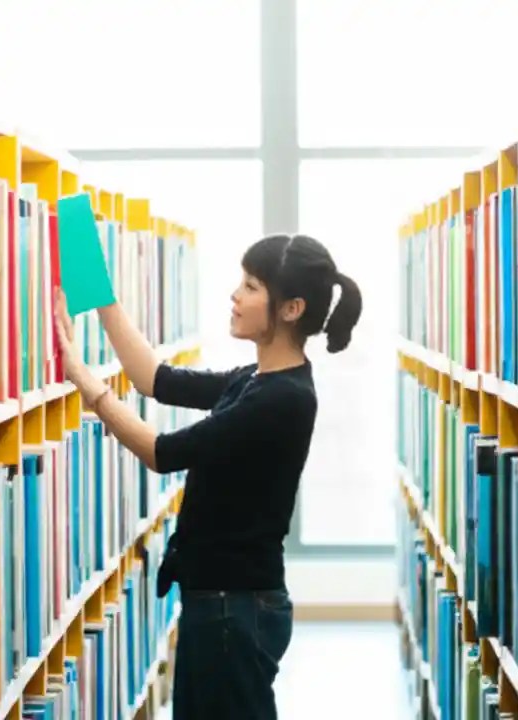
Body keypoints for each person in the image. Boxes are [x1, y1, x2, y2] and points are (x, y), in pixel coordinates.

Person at [52, 233, 363, 720]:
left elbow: (163, 452)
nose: (235, 296)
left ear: (291, 308)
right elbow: (157, 380)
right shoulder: (255, 380)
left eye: (251, 286)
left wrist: (84, 381)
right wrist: (100, 294)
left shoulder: (283, 399)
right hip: (221, 604)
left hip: (235, 610)